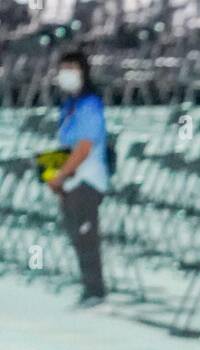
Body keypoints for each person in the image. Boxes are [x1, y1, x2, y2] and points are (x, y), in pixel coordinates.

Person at [49, 51, 110, 305]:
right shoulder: (69, 105)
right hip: (69, 180)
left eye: (72, 68)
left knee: (86, 235)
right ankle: (88, 287)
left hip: (87, 179)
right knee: (75, 234)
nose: (67, 73)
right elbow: (64, 142)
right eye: (63, 68)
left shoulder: (90, 105)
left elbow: (84, 147)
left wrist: (60, 175)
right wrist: (52, 175)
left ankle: (95, 290)